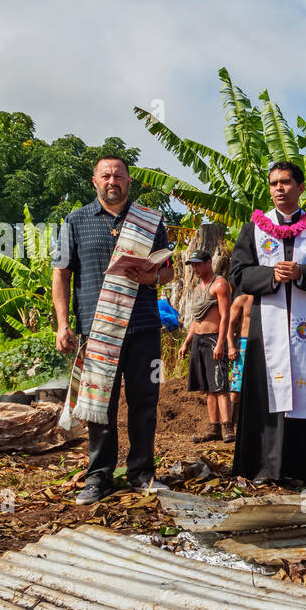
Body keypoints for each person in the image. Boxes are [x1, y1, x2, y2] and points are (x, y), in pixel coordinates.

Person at [52, 155, 173, 505]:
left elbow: (168, 270)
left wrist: (154, 276)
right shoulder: (75, 221)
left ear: (128, 180)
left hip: (144, 326)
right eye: (106, 176)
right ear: (94, 181)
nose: (112, 181)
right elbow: (61, 273)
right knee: (98, 403)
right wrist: (62, 324)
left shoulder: (150, 221)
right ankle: (98, 477)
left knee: (145, 403)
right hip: (97, 327)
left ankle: (142, 473)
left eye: (118, 175)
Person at [230, 161, 306, 484]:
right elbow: (238, 274)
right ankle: (265, 469)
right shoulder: (254, 228)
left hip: (305, 330)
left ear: (300, 187)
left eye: (285, 182)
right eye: (273, 183)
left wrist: (302, 274)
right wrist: (270, 275)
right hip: (265, 332)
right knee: (265, 393)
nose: (278, 189)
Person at [178, 246, 233, 443]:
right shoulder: (196, 289)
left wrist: (221, 343)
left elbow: (226, 316)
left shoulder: (219, 284)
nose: (195, 268)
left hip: (213, 338)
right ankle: (214, 428)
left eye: (198, 264)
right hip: (198, 340)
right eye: (193, 265)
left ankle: (228, 428)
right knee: (207, 387)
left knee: (220, 385)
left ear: (209, 263)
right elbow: (195, 319)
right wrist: (186, 342)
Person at [226, 291, 254, 438]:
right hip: (244, 343)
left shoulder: (268, 299)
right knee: (236, 386)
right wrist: (231, 346)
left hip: (263, 344)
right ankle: (230, 425)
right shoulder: (242, 300)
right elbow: (229, 324)